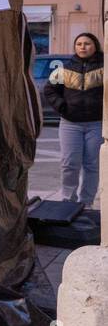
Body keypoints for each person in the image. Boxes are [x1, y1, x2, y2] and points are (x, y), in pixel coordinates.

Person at [44, 32, 103, 207]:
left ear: (95, 46)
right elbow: (49, 90)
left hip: (96, 124)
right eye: (79, 44)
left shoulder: (104, 67)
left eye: (87, 43)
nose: (83, 47)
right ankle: (68, 201)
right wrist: (62, 106)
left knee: (92, 165)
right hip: (70, 124)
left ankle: (86, 203)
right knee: (69, 164)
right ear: (75, 47)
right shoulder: (63, 68)